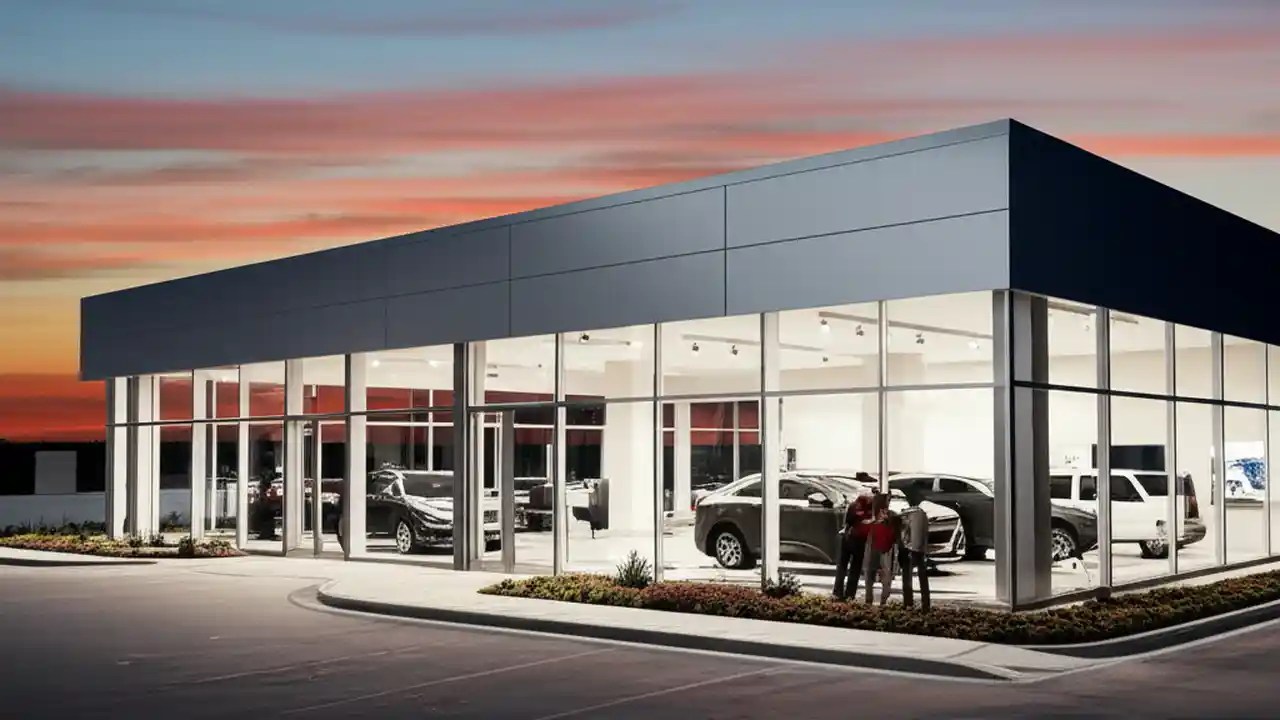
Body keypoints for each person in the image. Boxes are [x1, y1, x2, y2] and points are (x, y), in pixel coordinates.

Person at [833, 488, 874, 600]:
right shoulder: (870, 509)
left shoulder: (852, 506)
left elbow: (847, 522)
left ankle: (837, 592)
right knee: (855, 568)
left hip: (848, 539)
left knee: (842, 566)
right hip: (859, 541)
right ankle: (850, 594)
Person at [898, 487, 931, 611]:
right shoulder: (923, 514)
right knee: (923, 577)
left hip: (909, 549)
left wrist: (908, 546)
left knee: (907, 577)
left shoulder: (907, 515)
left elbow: (906, 534)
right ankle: (925, 603)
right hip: (920, 550)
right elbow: (925, 534)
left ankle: (908, 603)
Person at [863, 492, 898, 605]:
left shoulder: (890, 516)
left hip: (883, 548)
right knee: (872, 575)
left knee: (883, 576)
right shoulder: (872, 517)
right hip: (876, 548)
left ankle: (880, 600)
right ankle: (874, 600)